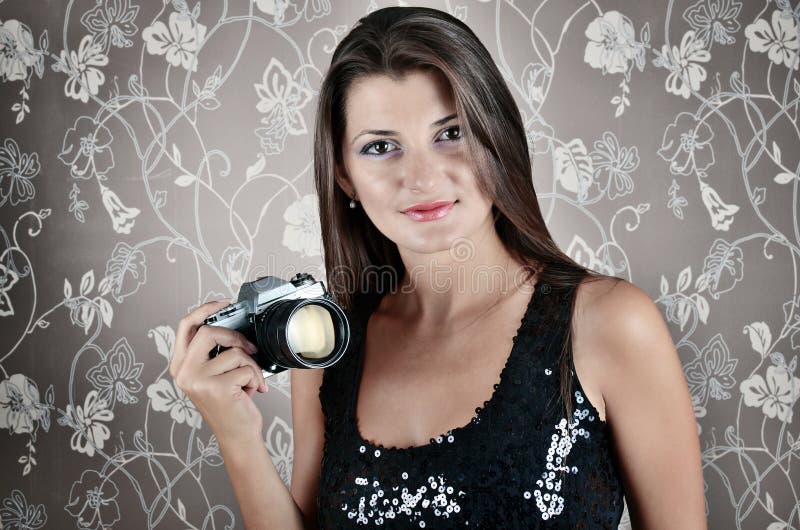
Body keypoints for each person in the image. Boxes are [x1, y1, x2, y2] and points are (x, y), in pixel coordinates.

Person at [169, 6, 706, 529]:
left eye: (451, 133)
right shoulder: (327, 344)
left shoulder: (609, 323)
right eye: (380, 147)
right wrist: (236, 434)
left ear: (498, 137)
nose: (421, 178)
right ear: (345, 177)